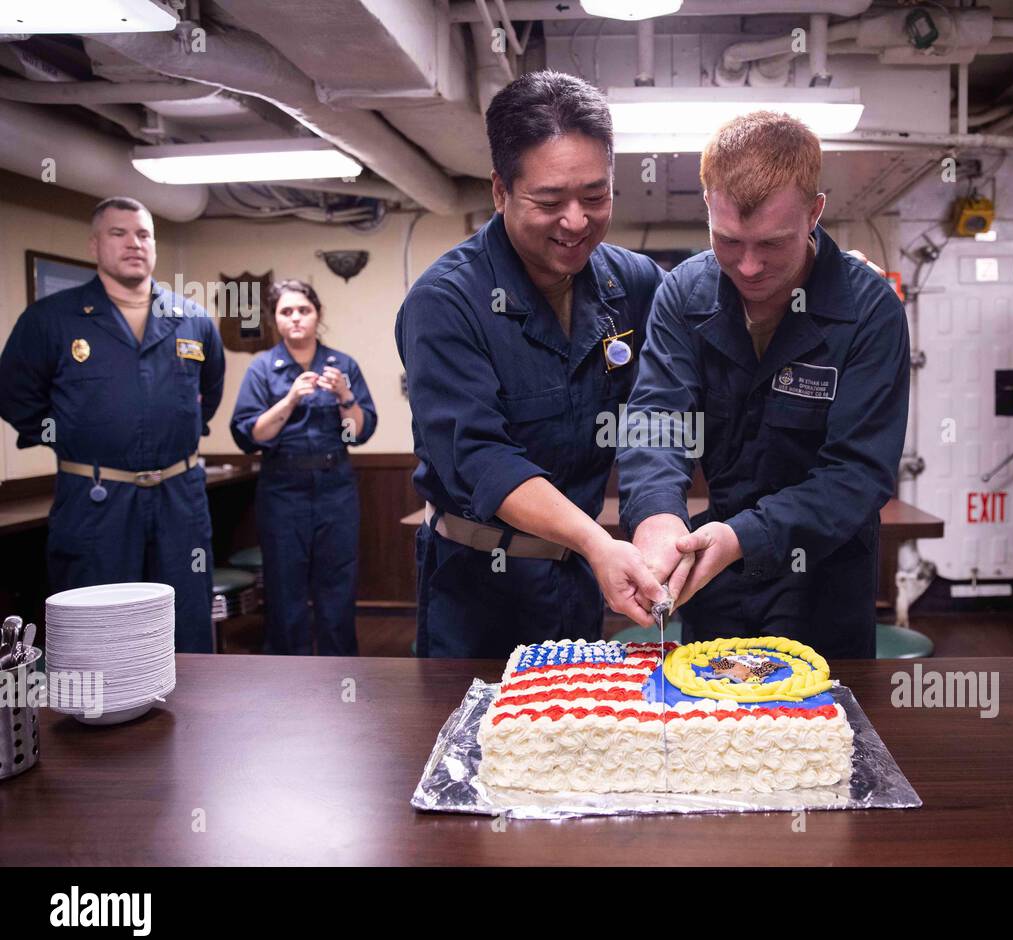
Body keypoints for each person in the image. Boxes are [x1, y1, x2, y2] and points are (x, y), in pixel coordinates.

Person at [617, 111, 910, 658]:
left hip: (824, 578)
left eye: (772, 244)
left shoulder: (870, 312)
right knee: (708, 732)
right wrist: (656, 515)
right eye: (728, 241)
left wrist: (743, 537)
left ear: (815, 210)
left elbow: (857, 474)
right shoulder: (683, 295)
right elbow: (658, 421)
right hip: (711, 572)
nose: (748, 267)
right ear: (707, 208)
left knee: (821, 736)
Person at [396, 71, 667, 658]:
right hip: (479, 587)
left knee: (573, 738)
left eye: (595, 197)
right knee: (474, 742)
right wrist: (597, 542)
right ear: (500, 190)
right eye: (549, 201)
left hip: (579, 578)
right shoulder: (445, 302)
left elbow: (709, 325)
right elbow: (480, 459)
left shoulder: (633, 282)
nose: (576, 221)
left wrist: (824, 275)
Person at [0, 196, 225, 651]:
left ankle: (197, 719)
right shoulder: (51, 320)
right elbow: (14, 396)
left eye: (143, 234)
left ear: (154, 246)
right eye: (118, 233)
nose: (133, 243)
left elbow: (209, 394)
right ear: (94, 244)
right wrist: (76, 430)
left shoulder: (193, 319)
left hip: (179, 497)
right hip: (96, 498)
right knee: (98, 626)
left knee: (189, 622)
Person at [230, 279, 376, 655]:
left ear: (317, 315)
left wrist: (345, 396)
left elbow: (359, 432)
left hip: (335, 485)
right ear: (275, 320)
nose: (296, 318)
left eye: (304, 310)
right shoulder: (262, 368)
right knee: (284, 587)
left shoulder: (343, 365)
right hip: (282, 486)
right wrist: (290, 398)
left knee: (337, 587)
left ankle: (341, 676)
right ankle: (288, 686)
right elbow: (252, 435)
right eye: (286, 312)